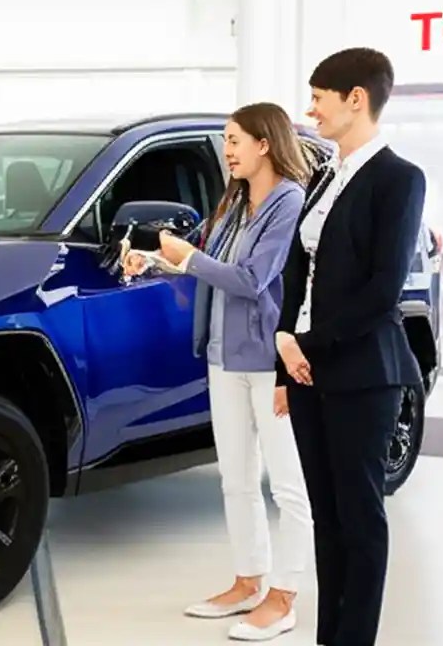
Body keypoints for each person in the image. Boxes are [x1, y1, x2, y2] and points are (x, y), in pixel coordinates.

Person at [125, 103, 312, 642]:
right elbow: (211, 266)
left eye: (234, 141)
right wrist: (154, 260)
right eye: (227, 141)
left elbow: (251, 279)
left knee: (289, 486)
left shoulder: (288, 202)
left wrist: (187, 257)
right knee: (236, 478)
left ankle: (284, 596)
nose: (227, 151)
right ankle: (249, 581)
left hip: (268, 360)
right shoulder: (234, 202)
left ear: (264, 144)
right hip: (222, 355)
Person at [276, 47, 426, 646]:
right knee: (326, 517)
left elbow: (383, 289)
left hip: (363, 370)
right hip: (307, 368)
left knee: (360, 519)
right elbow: (298, 268)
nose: (311, 110)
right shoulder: (324, 174)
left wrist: (308, 343)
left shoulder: (399, 178)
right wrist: (285, 346)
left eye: (319, 98)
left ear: (355, 99)